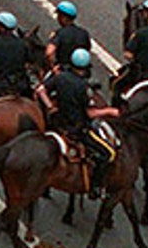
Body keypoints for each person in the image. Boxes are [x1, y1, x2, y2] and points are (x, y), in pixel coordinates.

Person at [37, 49, 119, 196]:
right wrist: (109, 111)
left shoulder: (60, 78)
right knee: (109, 153)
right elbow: (90, 113)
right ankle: (96, 187)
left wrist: (50, 107)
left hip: (58, 123)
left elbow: (41, 90)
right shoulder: (83, 87)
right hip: (77, 129)